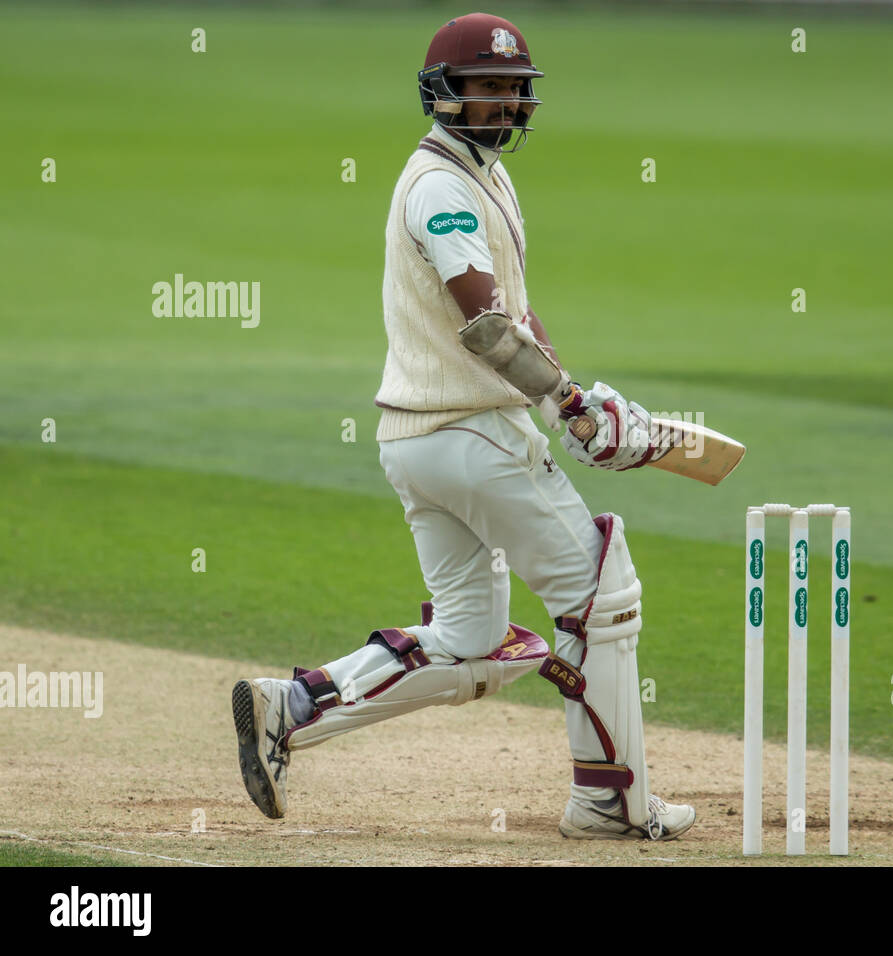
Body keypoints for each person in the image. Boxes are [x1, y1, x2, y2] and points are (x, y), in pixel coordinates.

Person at [230, 12, 695, 842]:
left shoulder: (480, 173)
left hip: (415, 441)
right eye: (487, 87)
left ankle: (292, 707)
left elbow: (515, 310)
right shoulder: (441, 186)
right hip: (471, 434)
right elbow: (484, 326)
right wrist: (580, 409)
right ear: (442, 93)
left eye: (515, 88)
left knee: (472, 638)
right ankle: (609, 805)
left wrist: (565, 400)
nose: (505, 102)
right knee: (601, 593)